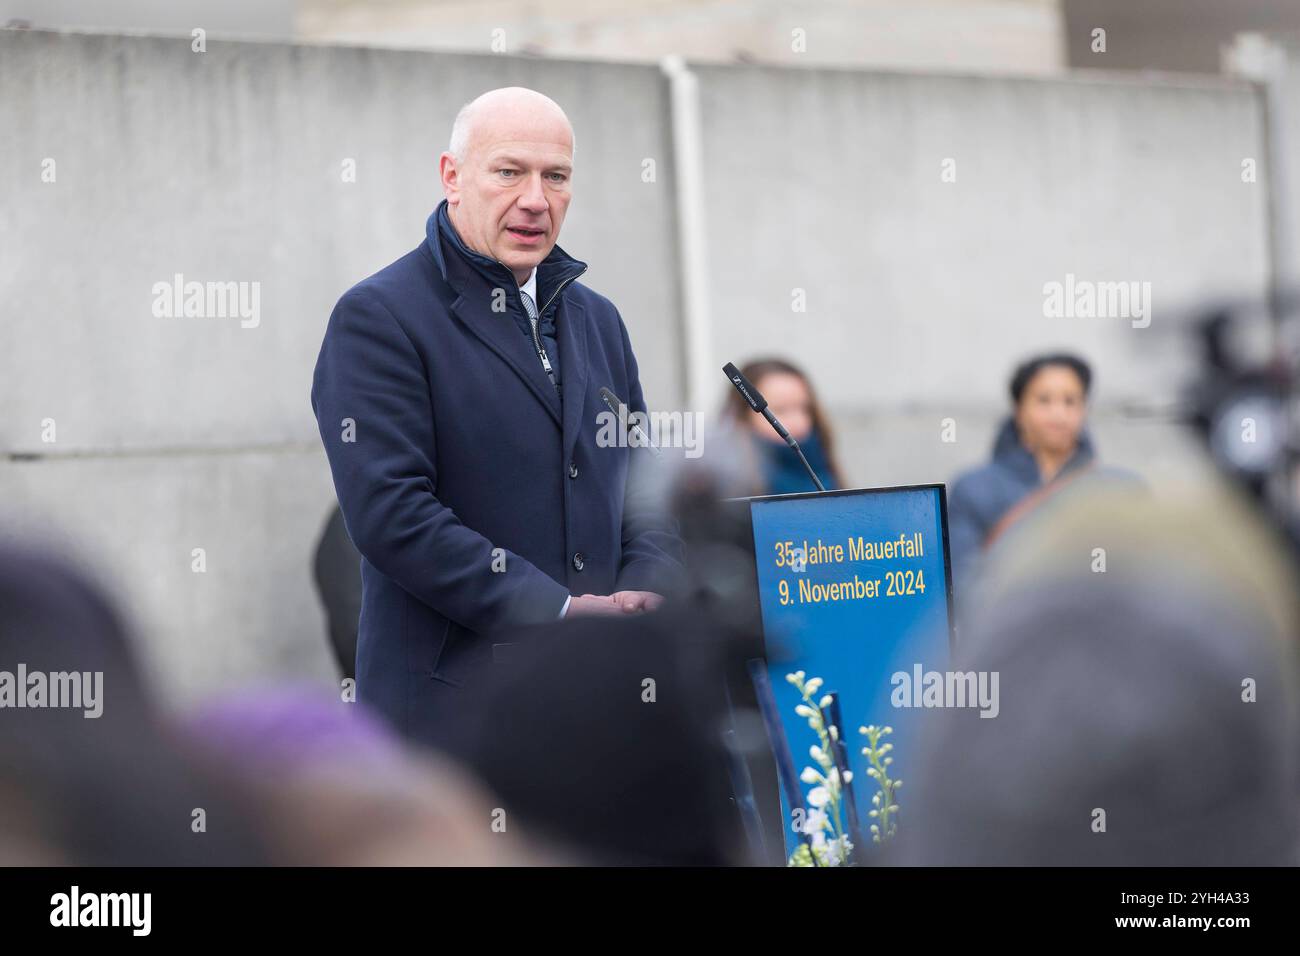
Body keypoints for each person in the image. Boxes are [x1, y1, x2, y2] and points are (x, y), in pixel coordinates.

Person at [311, 87, 683, 752]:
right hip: (455, 724)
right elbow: (393, 515)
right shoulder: (378, 318)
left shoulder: (599, 320)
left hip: (597, 705)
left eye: (556, 176)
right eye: (509, 171)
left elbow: (640, 488)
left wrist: (642, 591)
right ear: (453, 177)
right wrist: (560, 612)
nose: (536, 199)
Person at [946, 352, 1134, 589]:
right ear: (1018, 409)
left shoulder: (1122, 490)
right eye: (1044, 400)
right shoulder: (974, 490)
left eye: (1070, 401)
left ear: (1084, 409)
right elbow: (964, 585)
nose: (1059, 414)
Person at [719, 358, 844, 495]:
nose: (798, 421)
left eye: (804, 408)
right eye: (781, 410)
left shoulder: (826, 472)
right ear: (743, 417)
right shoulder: (726, 489)